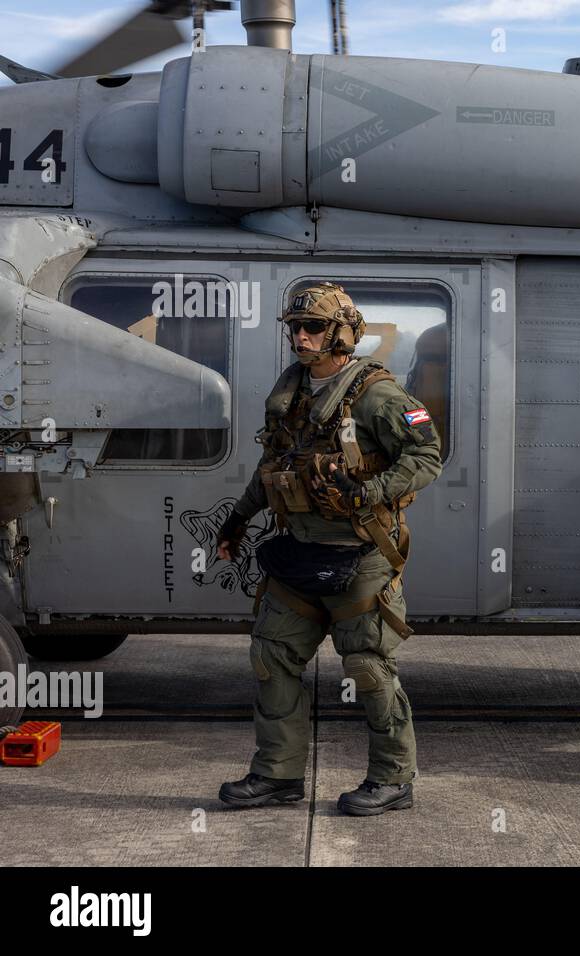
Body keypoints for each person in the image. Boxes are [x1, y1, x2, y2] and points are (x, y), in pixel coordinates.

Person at [216, 282, 442, 816]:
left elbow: (426, 453)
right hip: (298, 553)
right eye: (295, 328)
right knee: (270, 657)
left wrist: (372, 490)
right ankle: (278, 775)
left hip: (360, 557)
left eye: (313, 327)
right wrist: (237, 520)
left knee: (367, 666)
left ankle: (393, 780)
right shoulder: (291, 391)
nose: (300, 336)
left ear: (342, 333)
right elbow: (274, 467)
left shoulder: (378, 395)